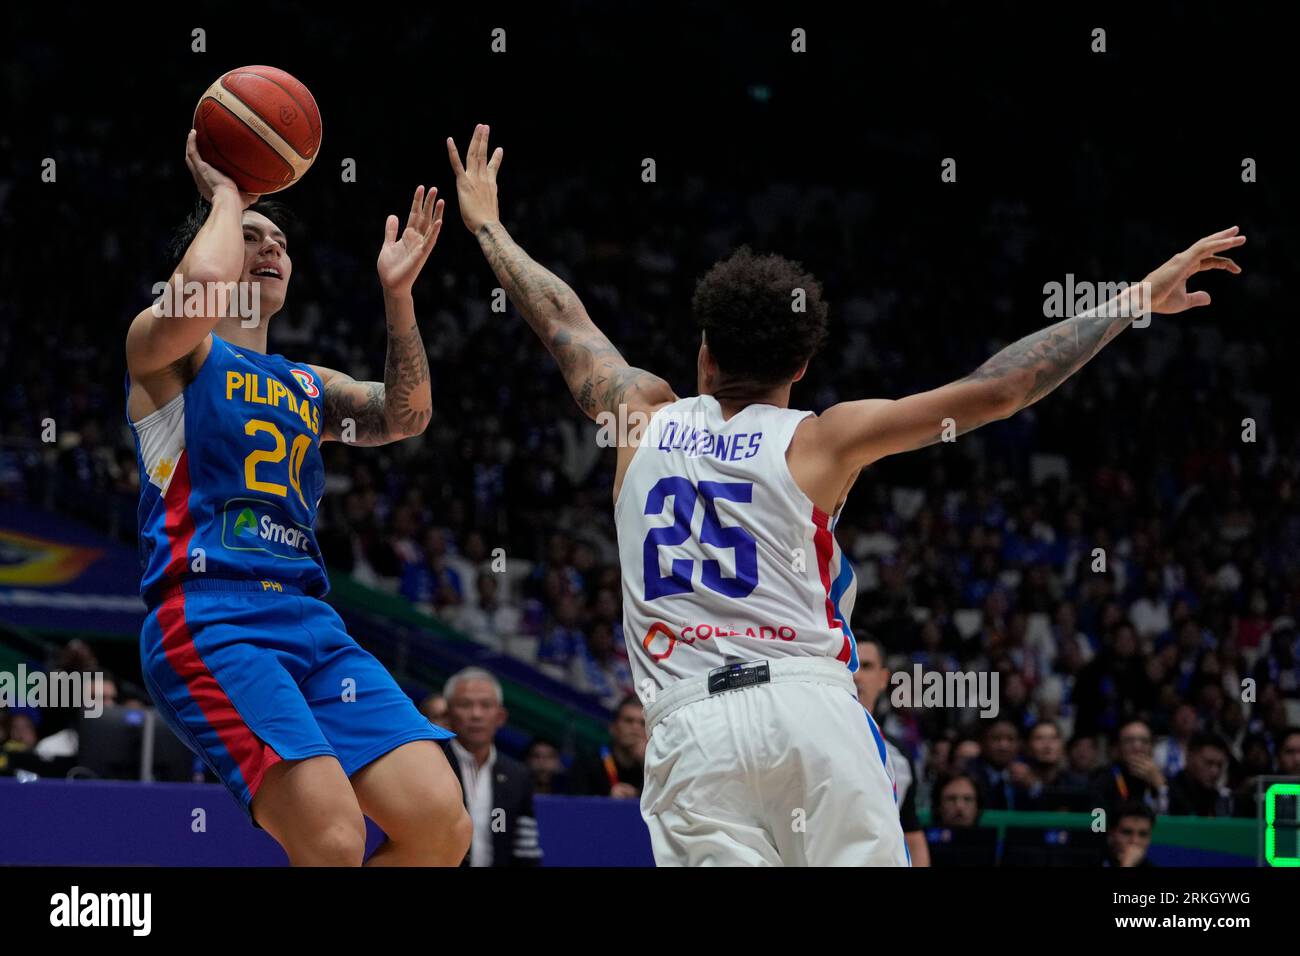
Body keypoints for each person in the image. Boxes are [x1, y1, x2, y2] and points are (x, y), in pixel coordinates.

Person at [448, 123, 1245, 866]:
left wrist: (488, 227)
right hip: (811, 712)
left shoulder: (638, 415)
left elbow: (563, 321)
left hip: (692, 728)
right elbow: (1001, 388)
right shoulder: (822, 439)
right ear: (801, 368)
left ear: (702, 354)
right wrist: (1135, 297)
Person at [124, 132, 471, 866]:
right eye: (251, 236)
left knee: (441, 823)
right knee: (333, 837)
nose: (271, 247)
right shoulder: (167, 351)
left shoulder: (306, 384)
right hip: (212, 617)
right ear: (211, 249)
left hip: (311, 621)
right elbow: (202, 290)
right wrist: (224, 194)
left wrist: (399, 300)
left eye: (280, 238)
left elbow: (405, 416)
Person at [439, 668, 542, 867]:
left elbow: (525, 849)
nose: (476, 714)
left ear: (500, 717)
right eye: (465, 704)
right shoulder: (432, 767)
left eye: (485, 705)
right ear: (448, 715)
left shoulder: (517, 775)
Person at [853, 637, 930, 865]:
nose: (856, 675)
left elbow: (912, 836)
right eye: (849, 665)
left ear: (883, 678)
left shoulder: (899, 757)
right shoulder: (805, 742)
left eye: (866, 666)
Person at [568, 695, 647, 798]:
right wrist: (608, 800)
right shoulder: (588, 763)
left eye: (642, 723)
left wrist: (646, 762)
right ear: (613, 728)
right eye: (628, 721)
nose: (635, 728)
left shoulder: (657, 766)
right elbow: (575, 807)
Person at [1166, 733, 1234, 816]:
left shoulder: (1220, 800)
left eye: (1220, 765)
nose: (1215, 771)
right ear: (1189, 757)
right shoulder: (1168, 791)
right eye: (1208, 763)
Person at [1104, 801, 1157, 867]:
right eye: (1127, 833)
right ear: (1111, 834)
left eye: (1143, 834)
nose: (1135, 841)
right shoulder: (1091, 860)